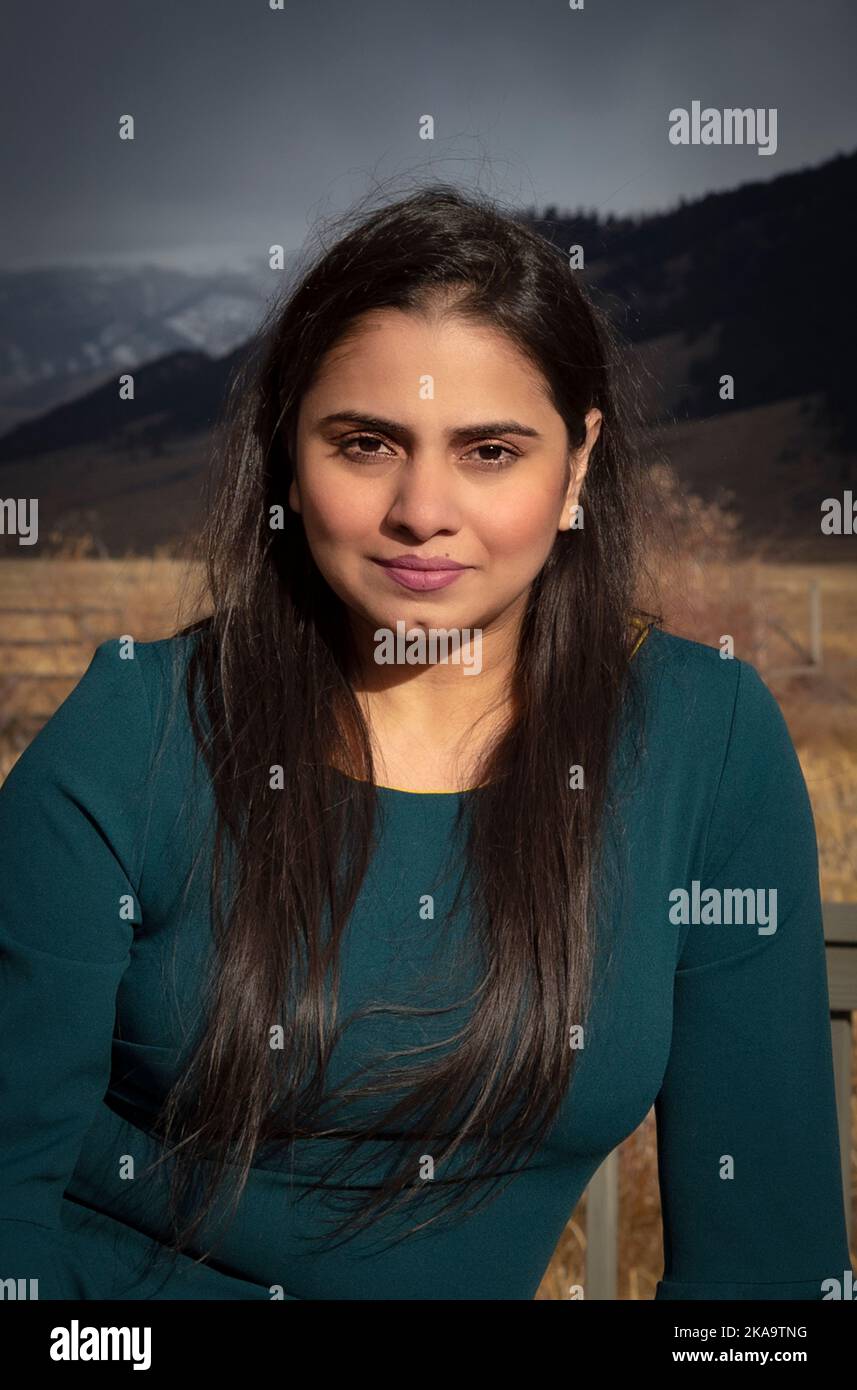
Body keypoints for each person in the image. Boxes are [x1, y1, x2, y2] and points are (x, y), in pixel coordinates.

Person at [0, 185, 850, 1300]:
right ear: (285, 452)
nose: (422, 509)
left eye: (490, 451)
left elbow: (767, 1268)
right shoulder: (134, 730)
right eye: (364, 442)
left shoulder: (708, 740)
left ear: (577, 465)